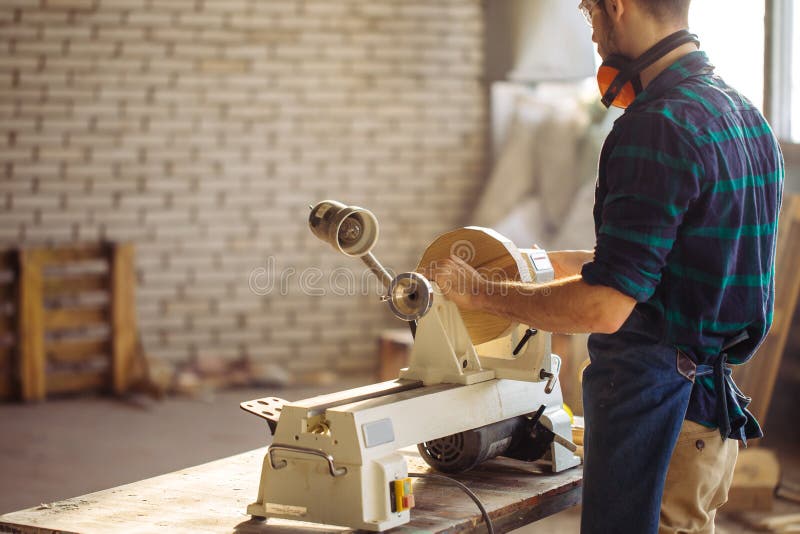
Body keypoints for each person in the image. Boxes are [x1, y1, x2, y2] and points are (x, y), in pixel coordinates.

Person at [425, 0, 785, 532]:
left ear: (616, 7)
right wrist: (519, 265)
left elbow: (604, 305)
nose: (591, 30)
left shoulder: (657, 126)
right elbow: (660, 265)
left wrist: (482, 296)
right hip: (706, 415)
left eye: (589, 11)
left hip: (663, 414)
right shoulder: (743, 115)